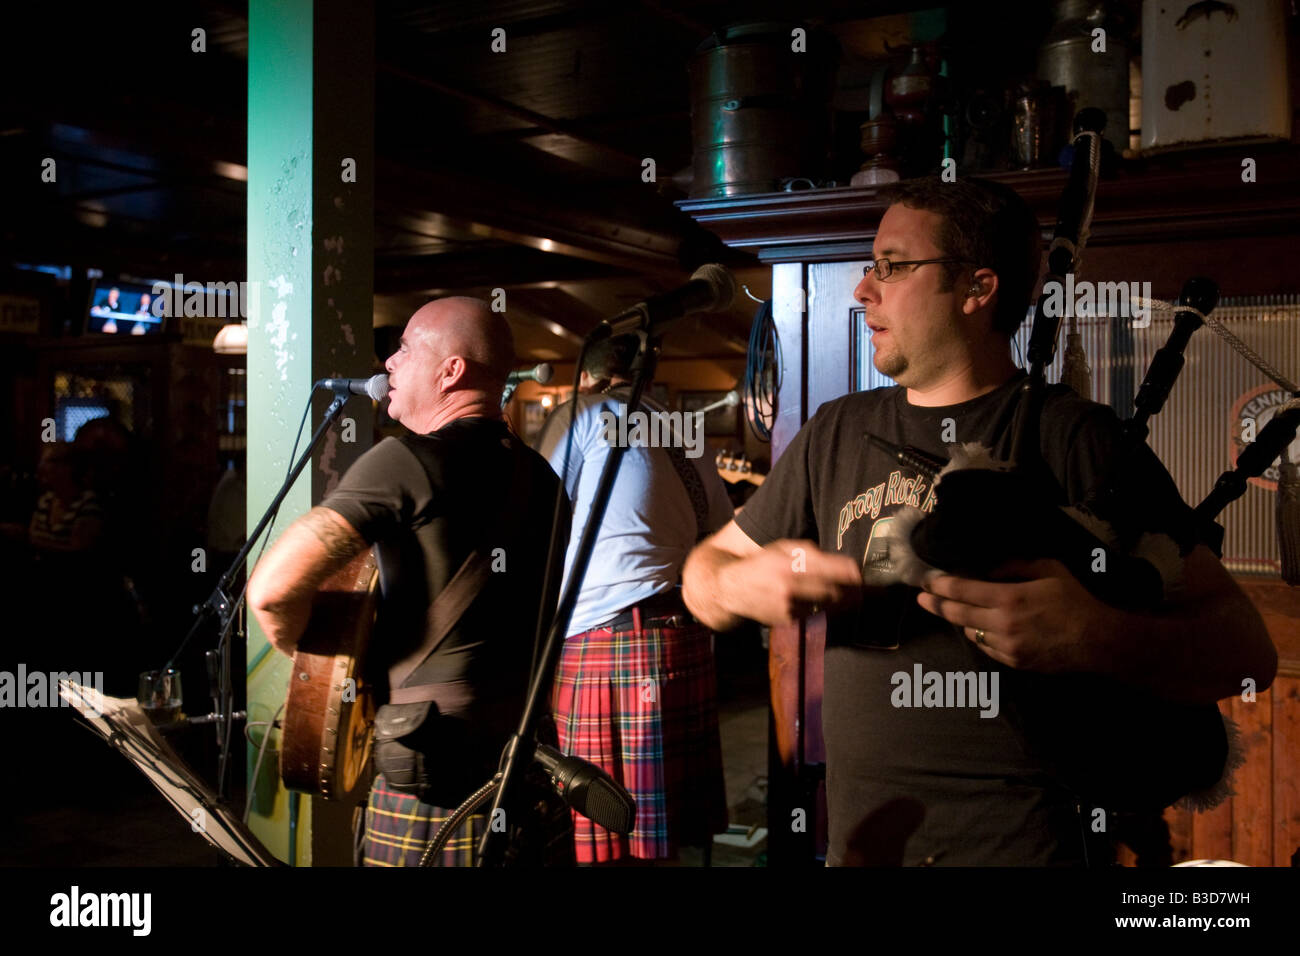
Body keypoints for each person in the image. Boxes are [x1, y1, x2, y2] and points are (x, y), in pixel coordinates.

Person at [681, 177, 1278, 866]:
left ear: (977, 288)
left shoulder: (1074, 438)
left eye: (892, 266)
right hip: (867, 846)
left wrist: (1094, 634)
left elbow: (1247, 655)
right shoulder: (835, 432)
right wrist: (740, 586)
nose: (862, 290)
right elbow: (702, 573)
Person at [248, 297, 573, 867]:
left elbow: (273, 589)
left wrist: (322, 668)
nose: (388, 365)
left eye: (404, 349)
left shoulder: (404, 460)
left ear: (452, 371)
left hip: (433, 780)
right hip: (526, 773)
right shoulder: (543, 478)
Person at [534, 335, 731, 864]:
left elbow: (538, 522)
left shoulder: (581, 413)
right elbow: (719, 534)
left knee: (600, 829)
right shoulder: (682, 427)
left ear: (587, 375)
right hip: (679, 638)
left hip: (605, 637)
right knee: (660, 835)